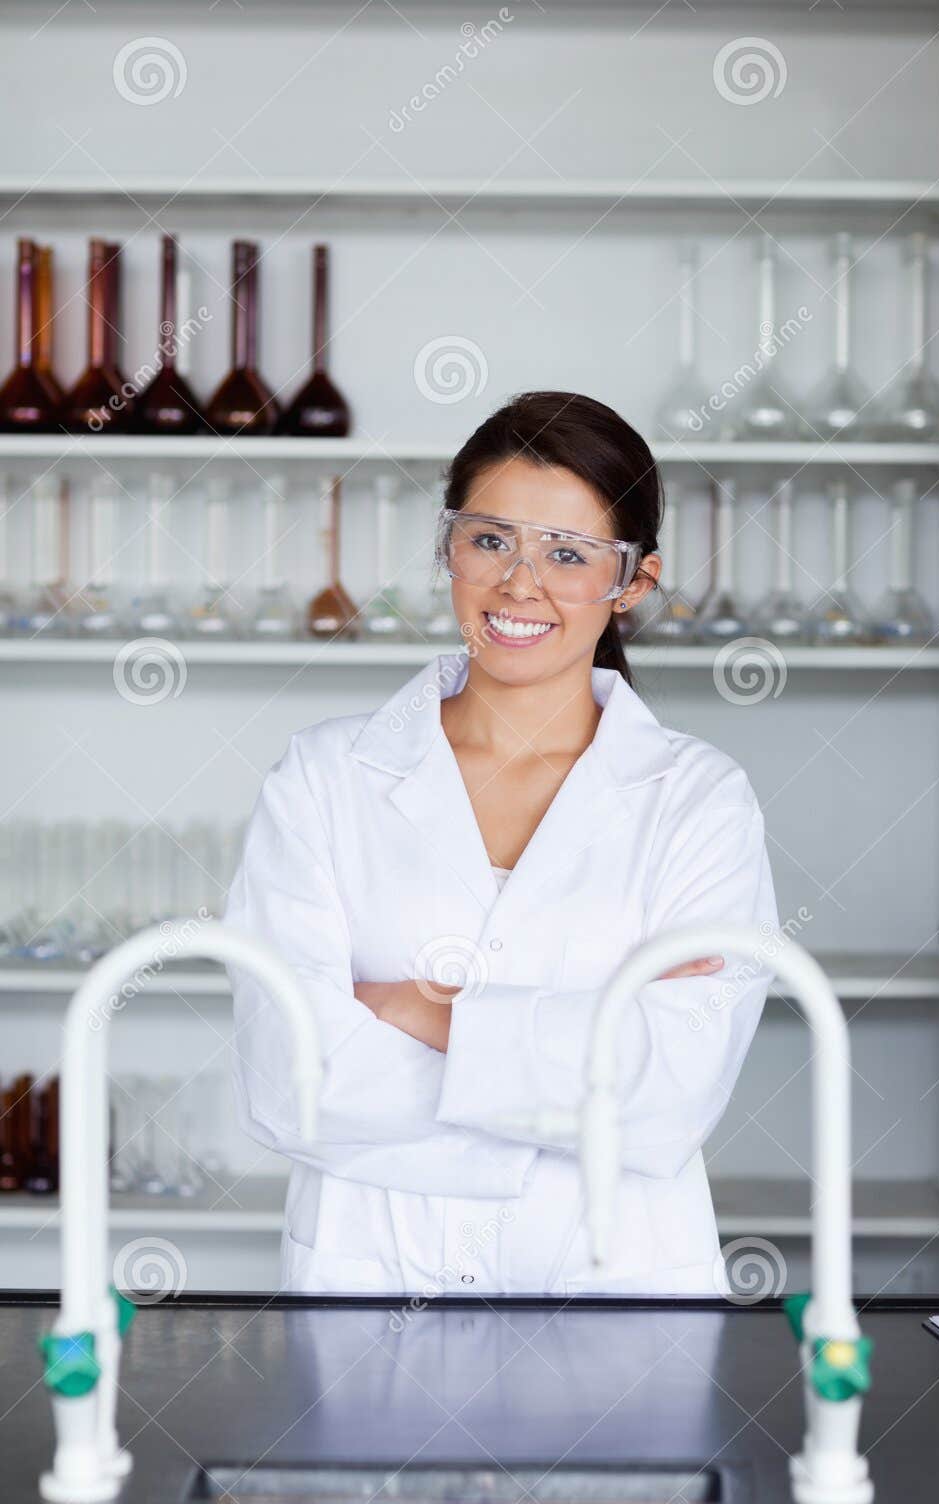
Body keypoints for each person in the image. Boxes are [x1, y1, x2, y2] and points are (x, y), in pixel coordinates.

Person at [225, 390, 777, 1294]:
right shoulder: (324, 778)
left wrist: (420, 1010)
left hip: (620, 1288)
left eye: (568, 553)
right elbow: (291, 1080)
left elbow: (674, 1095)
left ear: (634, 582)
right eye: (489, 540)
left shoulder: (698, 800)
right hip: (373, 1276)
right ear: (448, 548)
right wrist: (584, 1060)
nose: (520, 585)